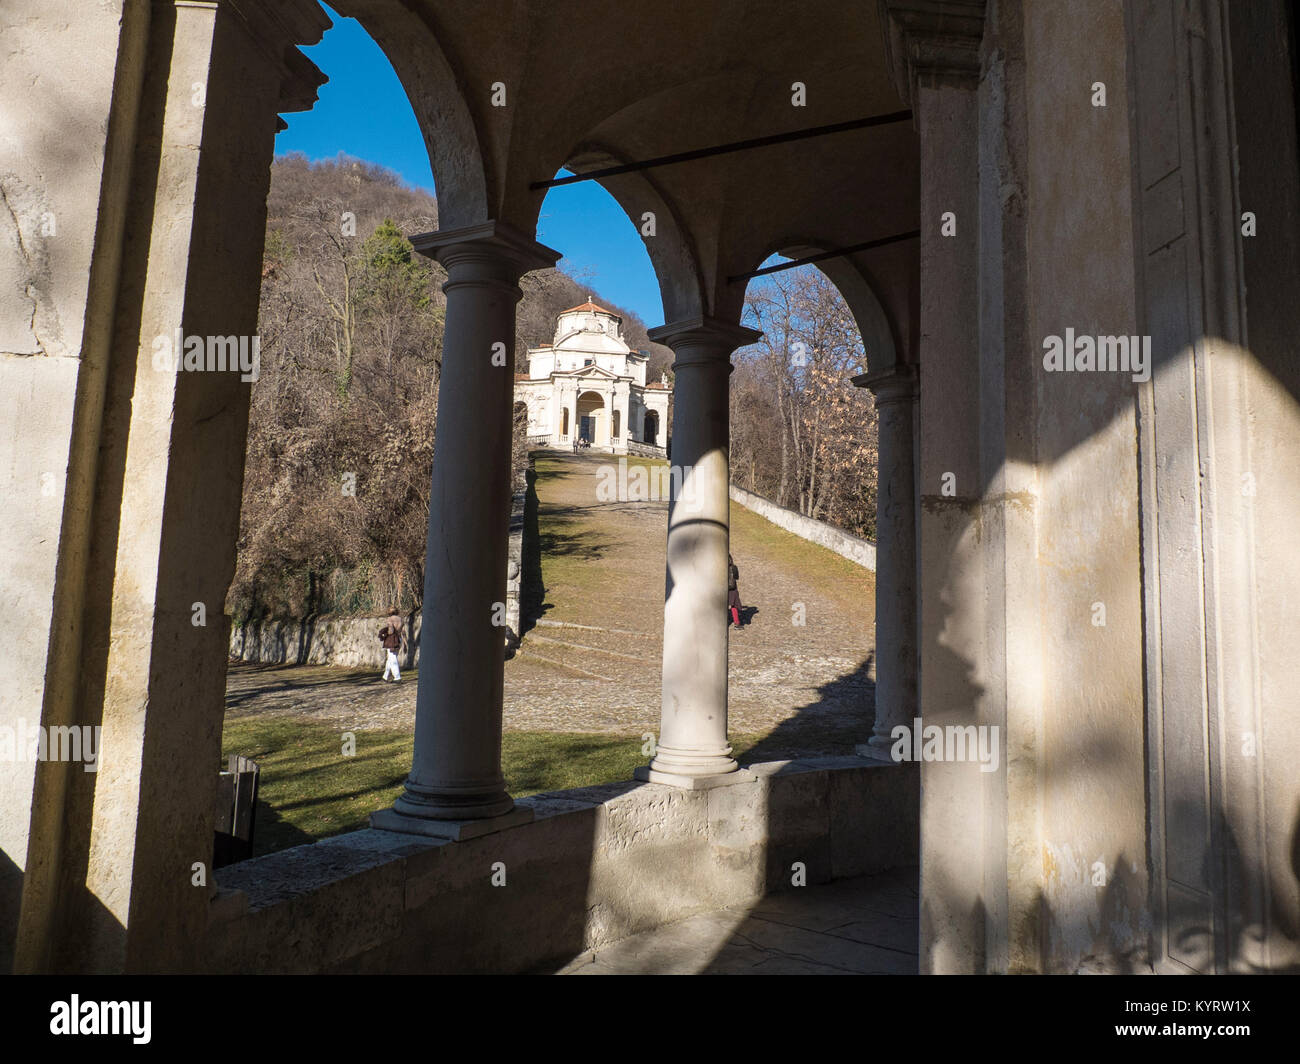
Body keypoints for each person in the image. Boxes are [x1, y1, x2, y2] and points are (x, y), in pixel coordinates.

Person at [379, 610, 403, 682]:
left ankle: (397, 677)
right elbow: (403, 631)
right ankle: (385, 676)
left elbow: (391, 631)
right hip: (398, 639)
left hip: (392, 641)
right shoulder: (400, 619)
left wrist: (384, 633)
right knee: (390, 658)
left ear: (389, 612)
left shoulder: (390, 619)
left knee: (393, 659)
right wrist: (404, 643)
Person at [727, 554, 743, 629]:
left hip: (724, 589)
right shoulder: (733, 567)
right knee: (734, 606)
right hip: (732, 589)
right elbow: (737, 577)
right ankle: (736, 623)